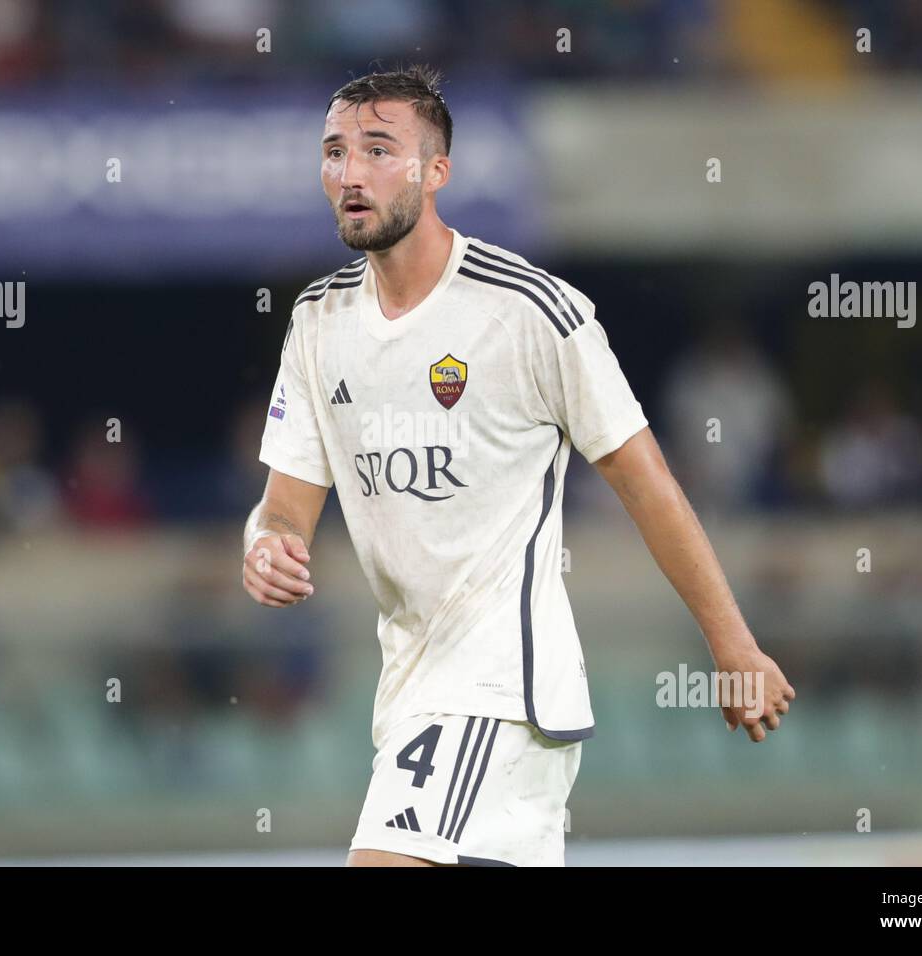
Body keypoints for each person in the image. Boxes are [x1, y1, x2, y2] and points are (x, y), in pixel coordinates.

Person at [242, 65, 795, 867]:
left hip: (498, 690)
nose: (350, 172)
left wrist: (734, 644)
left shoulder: (532, 311)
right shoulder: (318, 320)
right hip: (408, 692)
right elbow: (284, 504)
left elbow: (650, 486)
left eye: (378, 149)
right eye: (334, 151)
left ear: (437, 172)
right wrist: (265, 543)